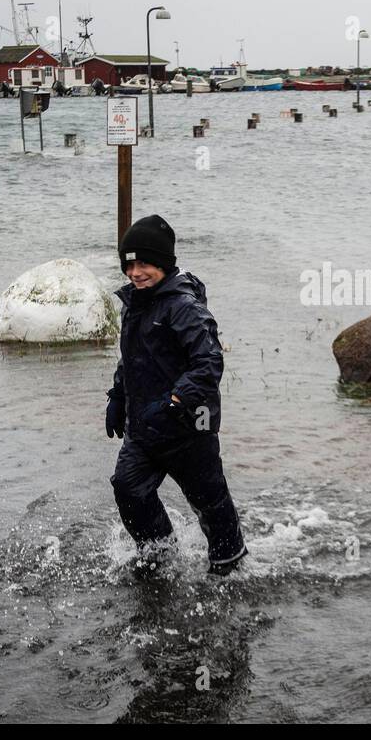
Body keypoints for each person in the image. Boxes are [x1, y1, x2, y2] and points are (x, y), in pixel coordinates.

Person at [105, 215, 247, 575]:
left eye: (145, 264)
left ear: (164, 265)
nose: (136, 273)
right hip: (144, 427)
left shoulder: (184, 307)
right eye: (130, 264)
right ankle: (159, 554)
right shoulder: (135, 303)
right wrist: (118, 395)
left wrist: (175, 401)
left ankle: (230, 566)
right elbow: (132, 357)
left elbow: (208, 362)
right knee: (128, 488)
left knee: (210, 503)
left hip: (187, 427)